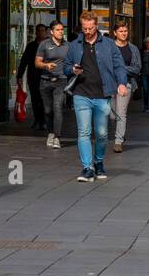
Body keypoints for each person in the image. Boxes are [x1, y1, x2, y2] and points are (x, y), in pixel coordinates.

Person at [64, 12, 128, 182]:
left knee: (101, 133)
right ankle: (87, 168)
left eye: (90, 28)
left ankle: (99, 162)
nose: (87, 31)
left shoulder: (108, 44)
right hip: (81, 94)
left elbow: (119, 66)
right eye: (84, 28)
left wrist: (122, 83)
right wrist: (72, 70)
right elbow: (65, 67)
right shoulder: (75, 45)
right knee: (84, 132)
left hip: (102, 95)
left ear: (96, 26)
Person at [34, 20, 70, 149]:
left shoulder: (67, 45)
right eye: (58, 30)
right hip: (45, 81)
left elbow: (71, 62)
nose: (61, 32)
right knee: (48, 110)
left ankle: (57, 137)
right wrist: (46, 65)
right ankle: (50, 132)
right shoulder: (44, 44)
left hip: (61, 81)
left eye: (62, 30)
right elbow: (37, 63)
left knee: (58, 108)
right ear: (52, 32)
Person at [109, 22, 141, 153]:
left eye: (125, 31)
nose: (124, 33)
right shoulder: (109, 48)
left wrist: (120, 69)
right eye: (121, 31)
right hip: (111, 84)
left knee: (121, 112)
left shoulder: (133, 49)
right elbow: (105, 66)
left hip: (127, 84)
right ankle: (120, 133)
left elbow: (137, 68)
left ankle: (118, 141)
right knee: (111, 115)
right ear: (115, 33)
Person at [16, 24, 49, 131]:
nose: (40, 33)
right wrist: (19, 75)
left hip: (46, 76)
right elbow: (24, 60)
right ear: (36, 32)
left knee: (44, 99)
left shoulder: (50, 45)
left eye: (42, 30)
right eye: (38, 31)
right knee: (35, 99)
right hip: (33, 76)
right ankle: (37, 120)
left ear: (46, 32)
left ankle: (44, 121)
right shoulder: (31, 46)